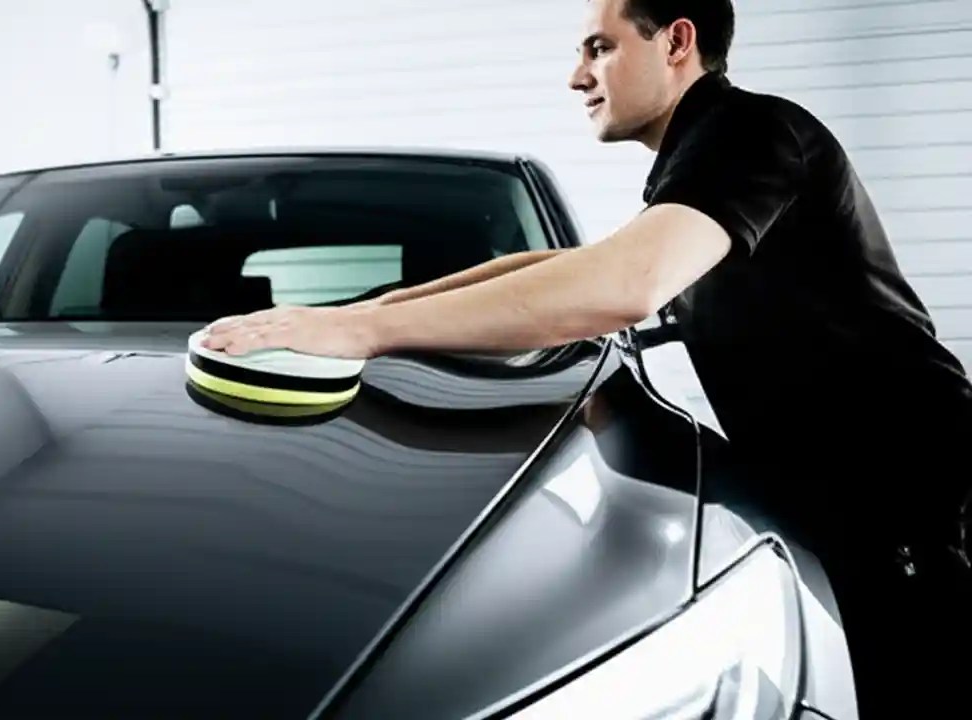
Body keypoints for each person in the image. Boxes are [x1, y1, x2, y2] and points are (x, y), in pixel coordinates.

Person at [204, 1, 971, 714]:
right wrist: (366, 312)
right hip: (854, 502)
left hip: (915, 498)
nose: (578, 76)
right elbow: (573, 266)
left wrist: (364, 336)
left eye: (599, 49)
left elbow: (623, 283)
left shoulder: (754, 134)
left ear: (676, 41)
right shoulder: (705, 162)